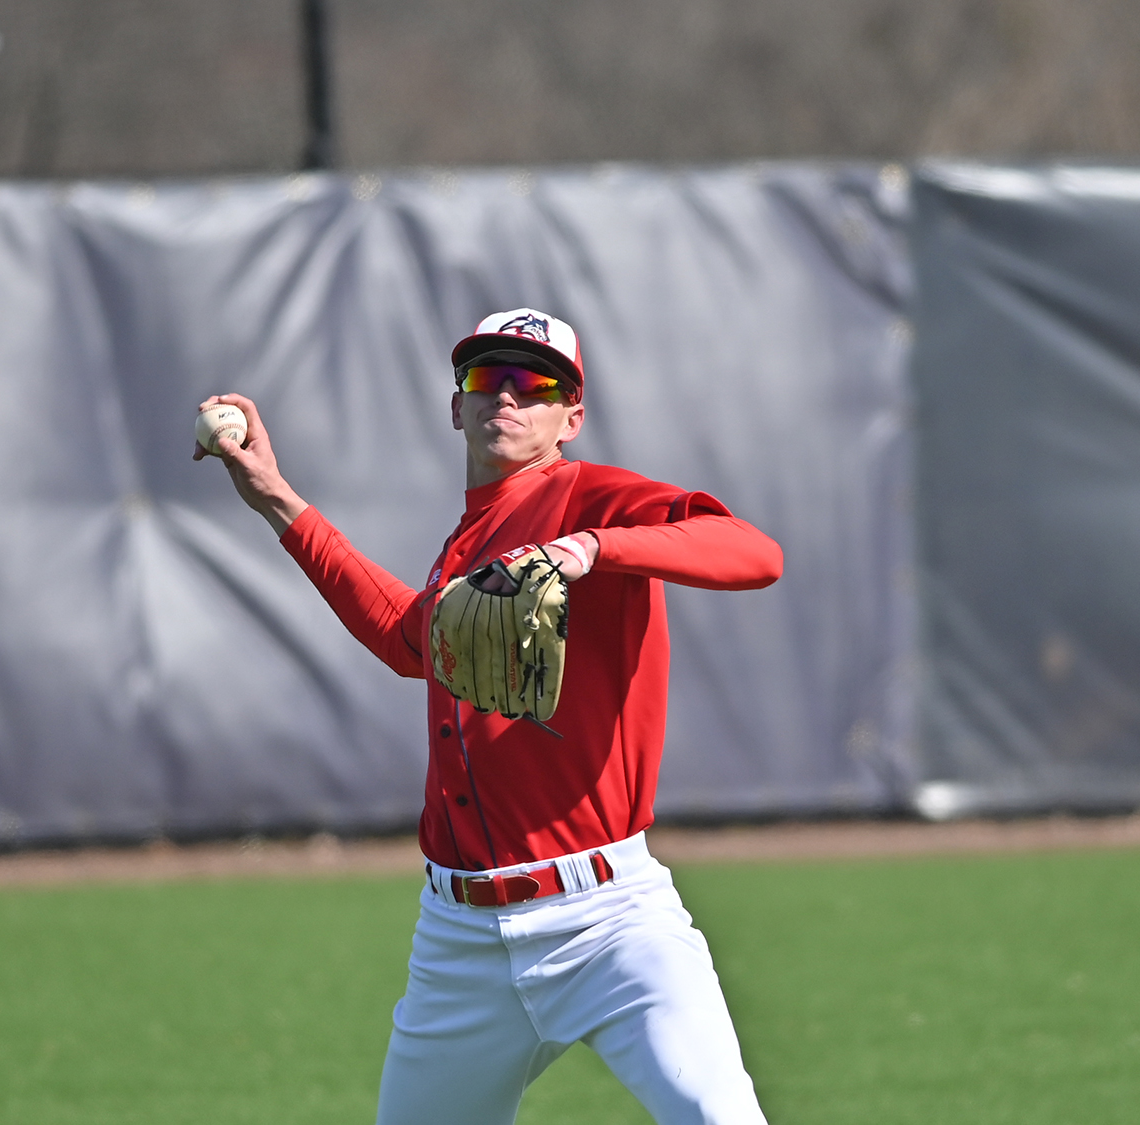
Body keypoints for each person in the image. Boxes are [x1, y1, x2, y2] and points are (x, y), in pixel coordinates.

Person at [197, 308, 783, 1124]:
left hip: (608, 921)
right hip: (460, 939)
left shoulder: (594, 495)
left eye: (535, 383)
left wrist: (599, 548)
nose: (506, 396)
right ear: (456, 405)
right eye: (485, 378)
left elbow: (756, 553)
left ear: (570, 417)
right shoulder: (467, 540)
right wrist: (276, 500)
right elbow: (413, 642)